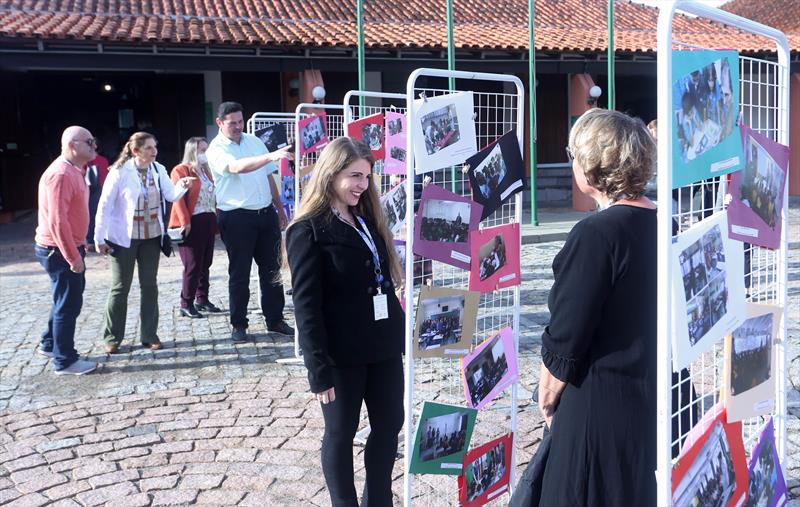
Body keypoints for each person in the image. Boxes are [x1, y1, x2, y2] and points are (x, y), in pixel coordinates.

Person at [535, 108, 657, 505]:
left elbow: (567, 333)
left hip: (600, 408)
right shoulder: (664, 223)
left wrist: (548, 396)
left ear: (593, 164)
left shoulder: (597, 234)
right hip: (652, 397)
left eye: (573, 155)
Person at [286, 137, 405, 507]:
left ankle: (379, 500)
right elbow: (306, 308)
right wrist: (317, 369)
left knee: (389, 427)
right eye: (355, 175)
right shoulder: (307, 231)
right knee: (340, 433)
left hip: (383, 347)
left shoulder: (367, 219)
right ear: (331, 173)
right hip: (340, 355)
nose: (362, 185)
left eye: (367, 177)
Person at [94, 132, 195, 354]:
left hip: (152, 236)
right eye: (148, 147)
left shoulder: (158, 169)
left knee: (149, 286)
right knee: (120, 287)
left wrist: (183, 186)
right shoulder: (120, 172)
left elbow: (170, 196)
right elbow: (104, 206)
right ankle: (112, 337)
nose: (154, 151)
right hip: (124, 238)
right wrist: (98, 238)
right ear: (135, 150)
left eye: (154, 146)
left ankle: (149, 335)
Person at [205, 101, 294, 343]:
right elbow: (236, 167)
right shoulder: (215, 149)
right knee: (240, 272)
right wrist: (270, 155)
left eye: (240, 121)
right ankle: (239, 324)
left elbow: (268, 176)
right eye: (231, 123)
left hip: (264, 213)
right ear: (220, 123)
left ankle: (275, 319)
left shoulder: (254, 141)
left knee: (272, 270)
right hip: (236, 216)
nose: (237, 127)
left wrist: (279, 207)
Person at [34, 126, 99, 375]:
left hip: (67, 246)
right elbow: (57, 221)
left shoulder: (74, 170)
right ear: (73, 145)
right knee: (68, 304)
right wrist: (73, 256)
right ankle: (65, 360)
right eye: (90, 142)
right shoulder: (61, 174)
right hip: (59, 250)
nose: (94, 146)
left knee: (63, 299)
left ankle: (50, 344)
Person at [168, 137, 222, 318]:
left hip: (207, 218)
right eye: (202, 151)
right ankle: (186, 302)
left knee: (206, 262)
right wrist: (185, 222)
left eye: (206, 150)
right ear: (193, 151)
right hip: (193, 220)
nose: (205, 154)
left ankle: (202, 299)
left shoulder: (206, 171)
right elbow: (178, 199)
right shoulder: (180, 170)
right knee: (192, 264)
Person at [85, 153, 109, 251]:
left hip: (88, 190)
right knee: (99, 215)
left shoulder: (84, 160)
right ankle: (99, 240)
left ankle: (89, 240)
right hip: (101, 190)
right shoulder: (103, 160)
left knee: (88, 216)